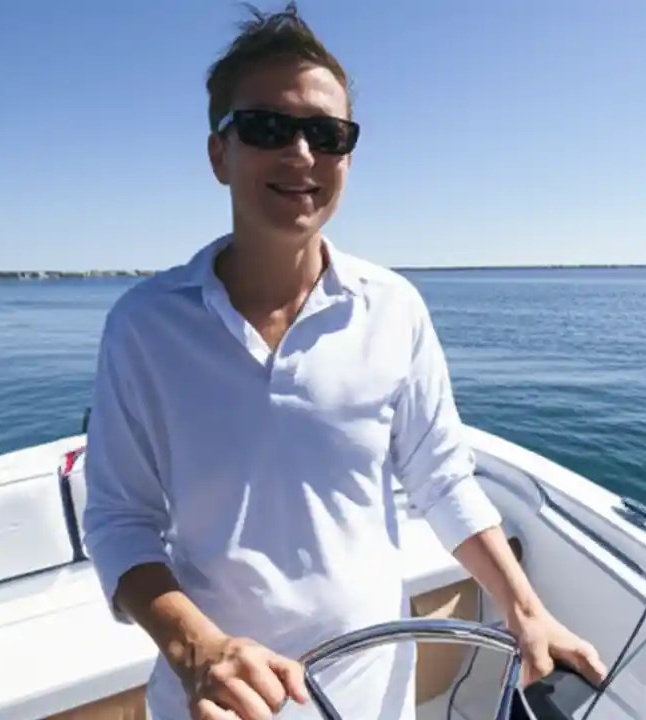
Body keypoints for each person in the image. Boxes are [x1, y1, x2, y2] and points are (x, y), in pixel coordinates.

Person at [80, 3, 606, 719]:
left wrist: (526, 610)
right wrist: (200, 652)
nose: (301, 154)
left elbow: (442, 478)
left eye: (326, 135)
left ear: (348, 159)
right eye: (268, 127)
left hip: (369, 690)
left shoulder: (392, 308)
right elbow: (120, 521)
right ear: (218, 154)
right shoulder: (145, 326)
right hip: (216, 699)